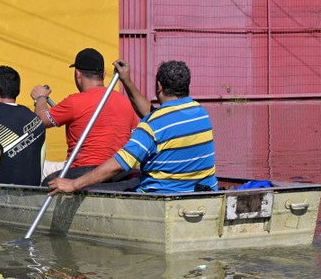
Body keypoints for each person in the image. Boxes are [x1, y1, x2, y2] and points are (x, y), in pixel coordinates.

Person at [47, 59, 217, 195]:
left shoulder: (152, 125)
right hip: (202, 193)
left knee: (83, 187)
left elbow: (118, 164)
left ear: (159, 86)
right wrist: (126, 81)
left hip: (161, 195)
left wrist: (74, 184)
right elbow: (153, 114)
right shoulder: (201, 114)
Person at [29, 48, 138, 181]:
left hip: (79, 171)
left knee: (33, 166)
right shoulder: (126, 102)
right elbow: (134, 138)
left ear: (77, 74)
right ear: (104, 74)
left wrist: (40, 98)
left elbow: (40, 121)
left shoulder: (74, 102)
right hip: (116, 173)